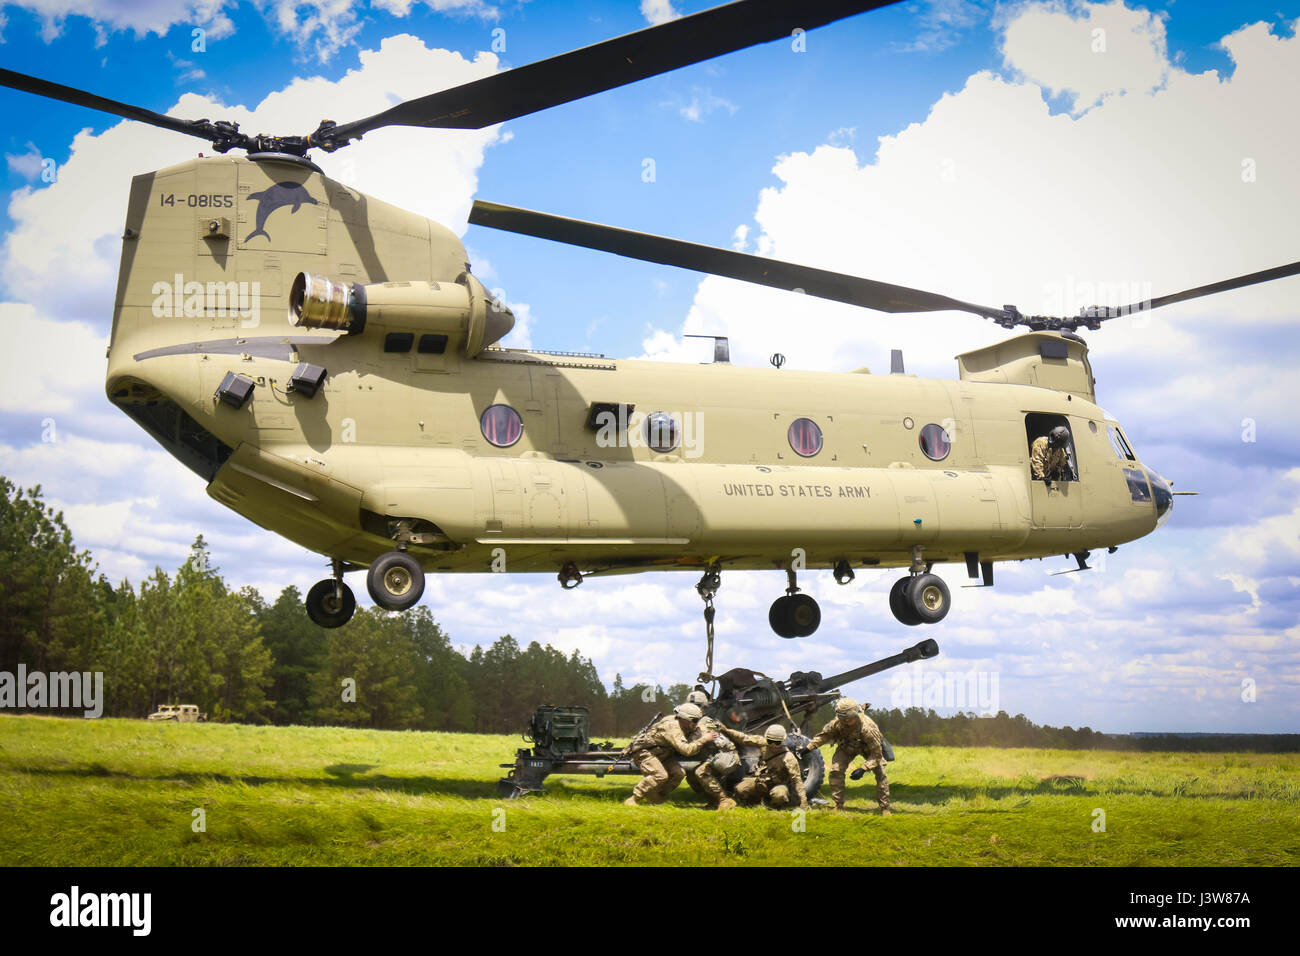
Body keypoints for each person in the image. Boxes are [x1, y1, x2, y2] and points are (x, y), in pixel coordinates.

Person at [804, 697, 890, 815]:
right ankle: (838, 805)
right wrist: (808, 748)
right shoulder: (838, 722)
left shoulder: (868, 728)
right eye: (843, 718)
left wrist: (863, 769)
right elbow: (825, 735)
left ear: (856, 714)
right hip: (848, 746)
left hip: (868, 749)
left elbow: (877, 755)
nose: (846, 722)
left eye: (849, 718)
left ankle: (885, 808)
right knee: (835, 770)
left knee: (881, 773)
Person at [624, 703, 717, 806]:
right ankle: (634, 798)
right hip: (645, 752)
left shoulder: (683, 724)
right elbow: (686, 750)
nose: (696, 723)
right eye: (694, 720)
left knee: (679, 773)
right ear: (684, 719)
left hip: (662, 753)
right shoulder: (673, 727)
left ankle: (657, 795)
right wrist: (704, 739)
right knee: (660, 775)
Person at [721, 723, 809, 810]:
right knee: (740, 789)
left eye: (777, 743)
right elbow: (744, 738)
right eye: (770, 742)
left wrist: (804, 802)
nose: (773, 745)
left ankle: (772, 806)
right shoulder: (763, 743)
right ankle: (754, 802)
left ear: (782, 741)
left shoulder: (788, 758)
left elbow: (797, 781)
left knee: (779, 795)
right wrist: (726, 730)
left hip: (779, 785)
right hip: (762, 781)